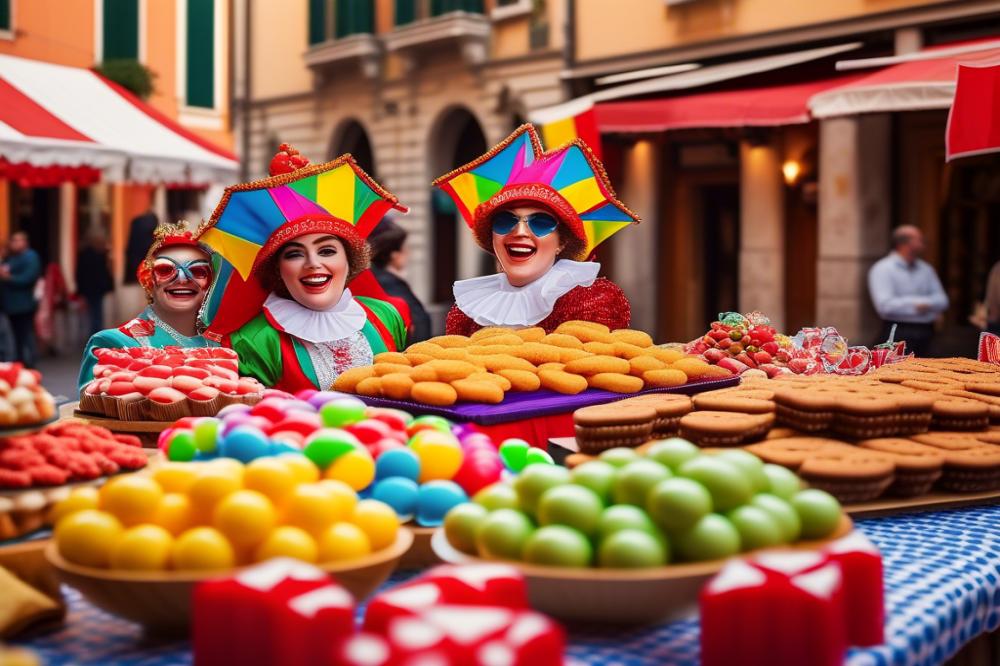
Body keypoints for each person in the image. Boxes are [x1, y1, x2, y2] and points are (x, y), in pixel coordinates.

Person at [198, 144, 408, 393]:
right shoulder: (255, 340)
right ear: (278, 270)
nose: (313, 263)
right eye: (295, 254)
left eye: (327, 251)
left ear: (349, 260)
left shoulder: (386, 317)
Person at [432, 125, 639, 335]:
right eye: (505, 221)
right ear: (492, 238)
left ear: (562, 242)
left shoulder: (592, 300)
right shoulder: (467, 312)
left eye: (540, 222)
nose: (520, 231)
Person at [77, 222, 218, 390]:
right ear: (148, 279)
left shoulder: (227, 344)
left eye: (198, 271)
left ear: (211, 282)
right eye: (166, 270)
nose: (182, 279)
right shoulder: (113, 345)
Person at [868, 225, 949, 357]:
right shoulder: (883, 269)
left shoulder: (926, 269)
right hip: (897, 331)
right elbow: (885, 306)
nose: (923, 242)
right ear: (904, 243)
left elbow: (942, 301)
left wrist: (912, 305)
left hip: (926, 333)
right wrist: (924, 305)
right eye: (919, 239)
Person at [368, 216, 432, 343]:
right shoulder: (389, 283)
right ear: (394, 254)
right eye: (405, 248)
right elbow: (418, 321)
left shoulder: (378, 278)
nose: (408, 253)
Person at [0, 232, 42, 367]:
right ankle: (21, 362)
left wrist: (9, 278)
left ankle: (29, 362)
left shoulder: (30, 257)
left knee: (25, 335)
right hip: (11, 305)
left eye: (19, 240)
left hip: (24, 304)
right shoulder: (11, 258)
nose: (16, 244)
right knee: (16, 337)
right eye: (14, 241)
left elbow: (28, 277)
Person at [75, 230, 114, 336]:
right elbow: (106, 272)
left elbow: (80, 273)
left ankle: (94, 333)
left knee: (92, 313)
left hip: (89, 288)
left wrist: (79, 289)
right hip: (97, 288)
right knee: (97, 313)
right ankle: (96, 333)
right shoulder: (101, 254)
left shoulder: (85, 254)